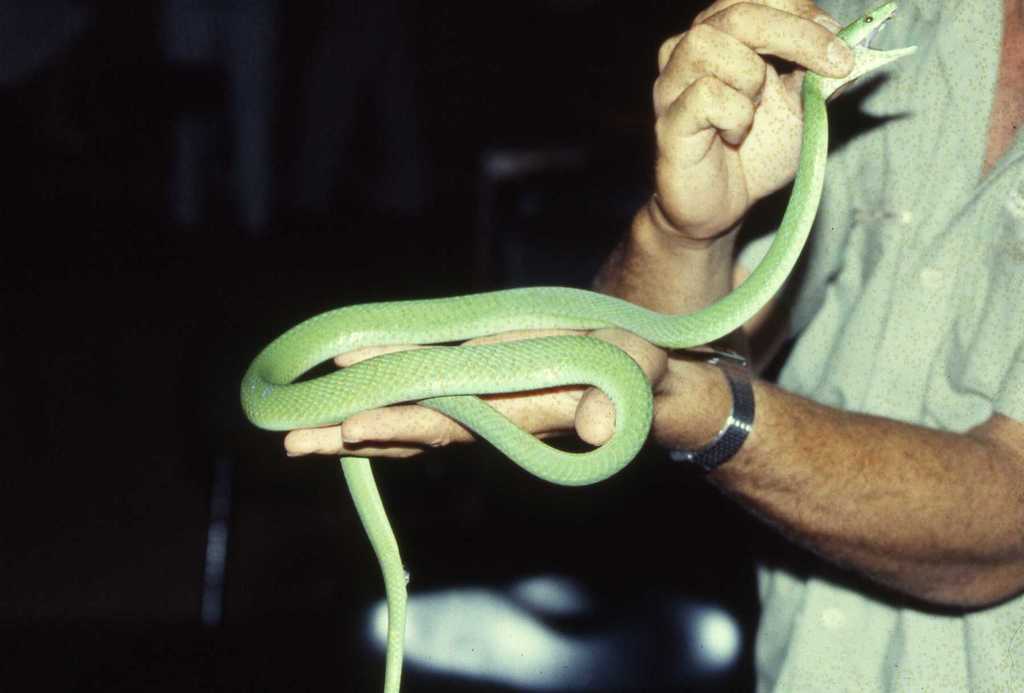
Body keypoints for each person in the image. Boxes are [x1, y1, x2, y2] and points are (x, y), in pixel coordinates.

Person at [284, 0, 1024, 688]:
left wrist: (699, 408)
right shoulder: (887, 19)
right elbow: (689, 333)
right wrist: (686, 229)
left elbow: (1008, 518)